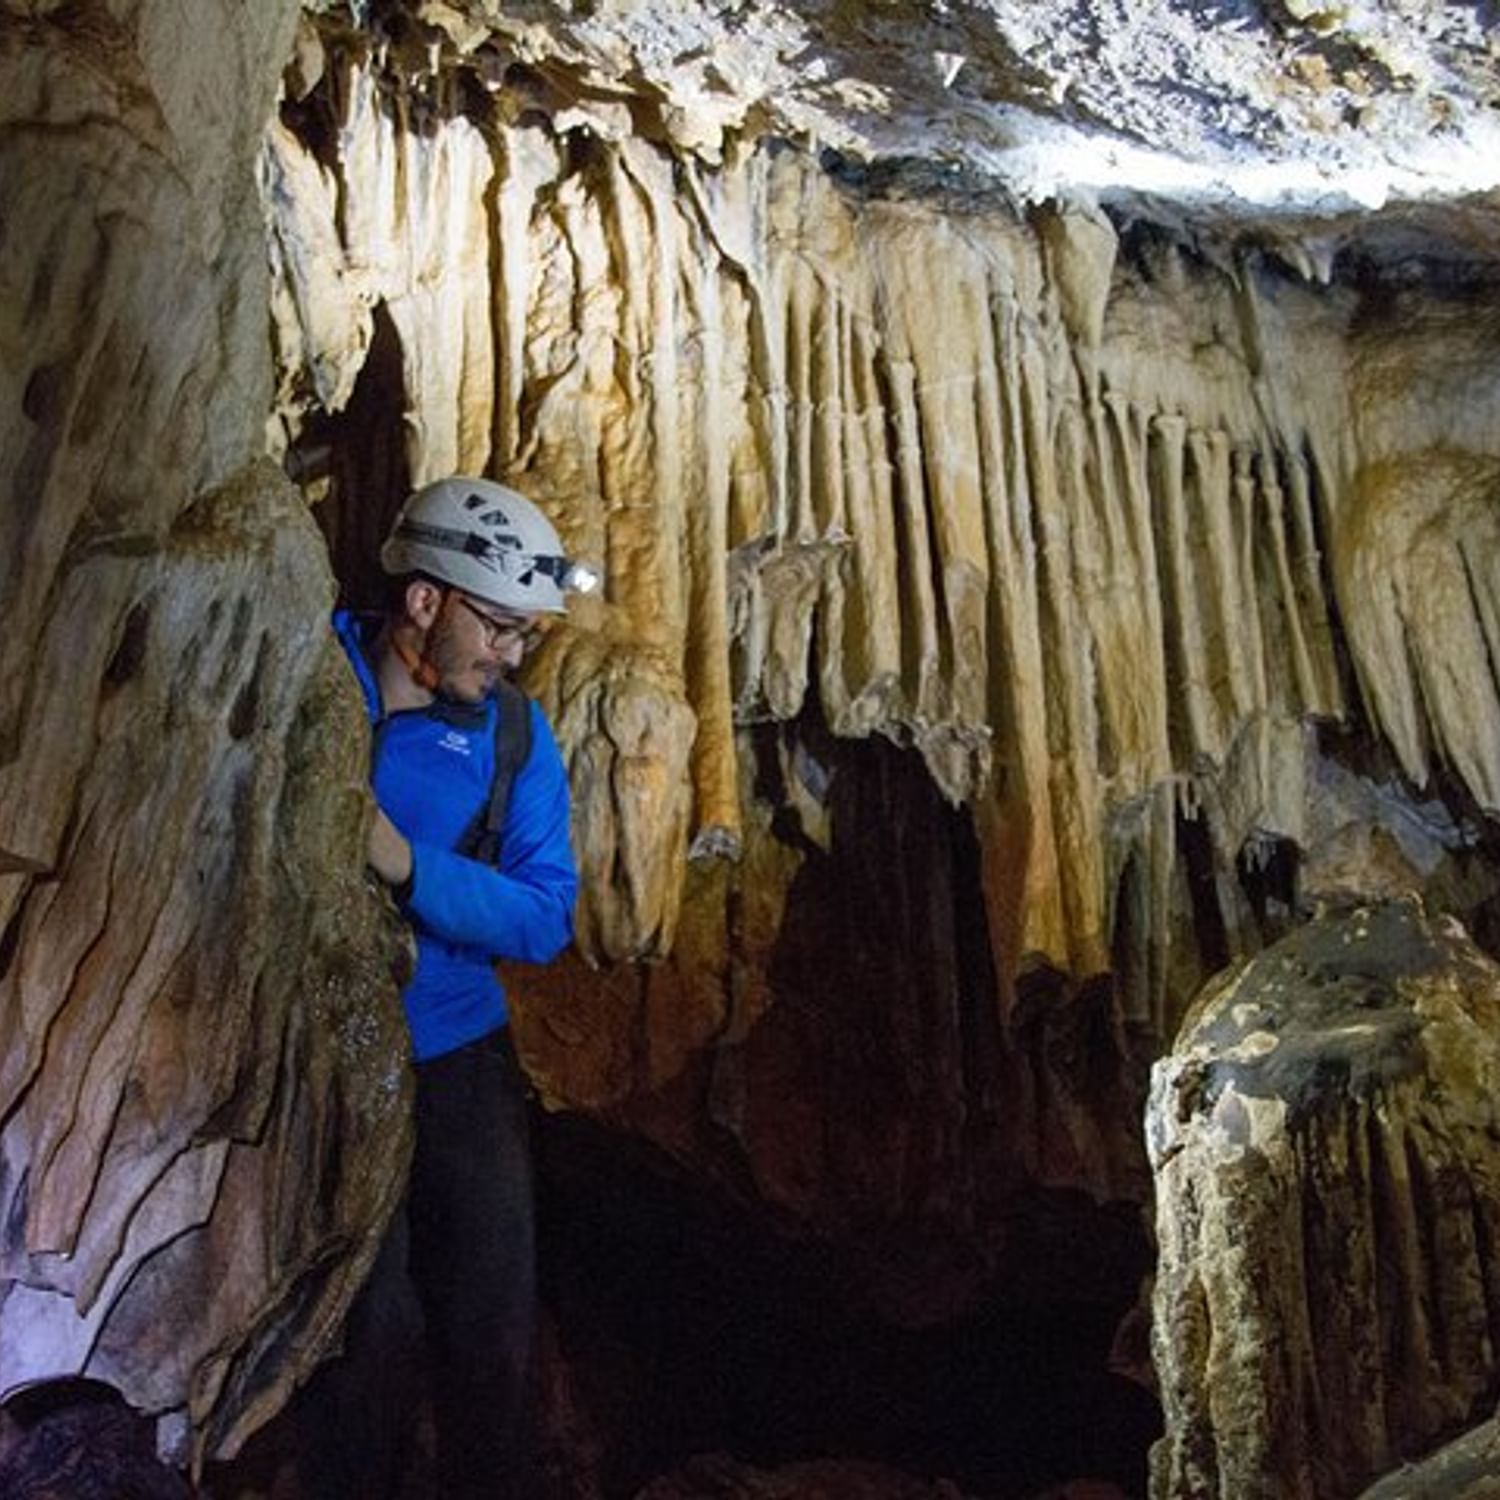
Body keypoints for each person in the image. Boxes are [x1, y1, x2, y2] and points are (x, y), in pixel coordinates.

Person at [302, 476, 585, 1499]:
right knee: (358, 1335)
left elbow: (546, 913)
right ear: (426, 601)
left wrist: (409, 869)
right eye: (501, 629)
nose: (513, 654)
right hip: (321, 1064)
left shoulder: (516, 737)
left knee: (489, 1337)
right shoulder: (310, 672)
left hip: (460, 1061)